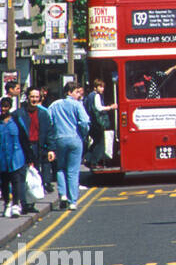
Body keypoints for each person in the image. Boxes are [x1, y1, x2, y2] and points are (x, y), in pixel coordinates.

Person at [49, 82, 90, 211]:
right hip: (74, 138)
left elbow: (49, 121)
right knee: (73, 170)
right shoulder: (77, 105)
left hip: (59, 139)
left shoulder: (54, 105)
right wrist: (83, 134)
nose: (79, 95)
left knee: (61, 168)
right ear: (69, 92)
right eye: (77, 92)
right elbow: (84, 122)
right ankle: (73, 201)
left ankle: (63, 195)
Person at [15, 88, 54, 212]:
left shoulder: (43, 114)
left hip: (38, 147)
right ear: (27, 97)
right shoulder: (18, 114)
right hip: (23, 148)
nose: (34, 99)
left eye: (37, 97)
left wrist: (51, 149)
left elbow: (49, 133)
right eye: (32, 97)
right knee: (22, 177)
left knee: (34, 175)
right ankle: (23, 203)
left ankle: (31, 204)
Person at [0, 97, 30, 217]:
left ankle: (16, 205)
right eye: (2, 106)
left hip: (16, 157)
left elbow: (24, 139)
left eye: (6, 106)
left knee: (16, 181)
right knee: (4, 182)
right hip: (2, 158)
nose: (3, 109)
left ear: (10, 107)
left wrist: (30, 158)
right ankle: (7, 203)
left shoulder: (17, 121)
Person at [85, 79, 117, 168]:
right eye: (100, 87)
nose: (102, 89)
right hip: (96, 122)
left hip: (91, 122)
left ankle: (88, 158)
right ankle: (94, 162)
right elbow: (98, 108)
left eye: (103, 87)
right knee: (101, 143)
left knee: (96, 141)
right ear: (95, 87)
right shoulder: (96, 96)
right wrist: (111, 107)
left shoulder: (89, 96)